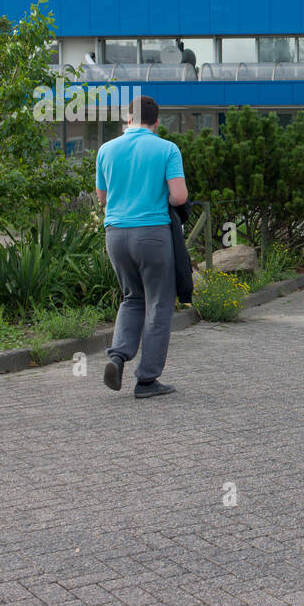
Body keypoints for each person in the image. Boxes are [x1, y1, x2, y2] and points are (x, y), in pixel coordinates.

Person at [95, 96, 188, 399]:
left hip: (116, 235)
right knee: (159, 303)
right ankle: (147, 380)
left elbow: (103, 198)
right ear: (157, 122)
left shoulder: (106, 150)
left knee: (132, 298)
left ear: (128, 118)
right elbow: (179, 196)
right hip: (152, 234)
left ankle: (117, 357)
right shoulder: (167, 149)